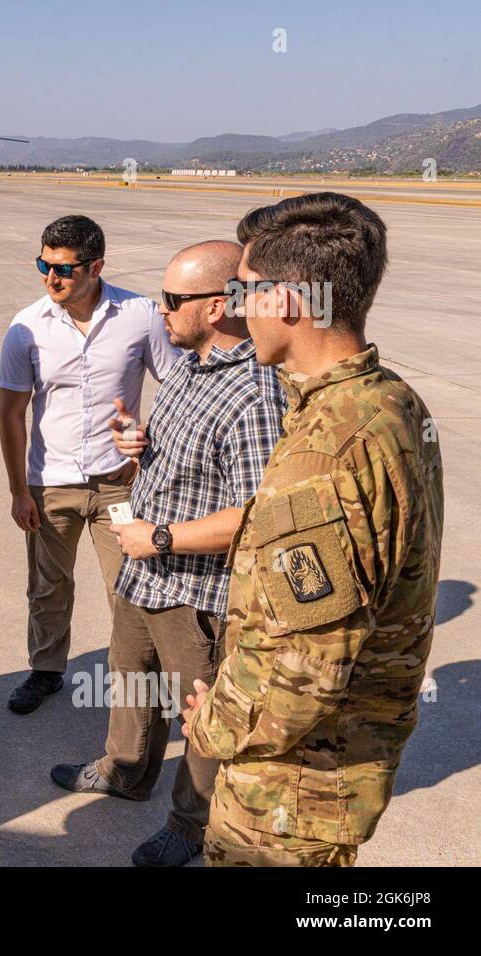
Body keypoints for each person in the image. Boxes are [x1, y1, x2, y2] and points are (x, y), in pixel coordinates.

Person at [183, 193, 444, 866]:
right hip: (329, 774)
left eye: (244, 290)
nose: (237, 308)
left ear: (289, 301)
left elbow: (307, 671)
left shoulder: (322, 457)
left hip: (286, 797)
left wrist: (213, 725)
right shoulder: (388, 401)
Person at [48, 241, 285, 867]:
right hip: (147, 574)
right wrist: (139, 442)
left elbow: (254, 518)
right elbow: (189, 461)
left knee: (202, 714)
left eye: (172, 300)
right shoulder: (187, 364)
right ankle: (125, 770)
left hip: (195, 589)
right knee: (130, 678)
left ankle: (192, 823)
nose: (160, 309)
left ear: (215, 307)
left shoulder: (255, 393)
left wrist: (159, 538)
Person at [0, 215, 181, 714]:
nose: (51, 278)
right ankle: (45, 671)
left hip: (118, 488)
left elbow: (179, 389)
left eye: (64, 269)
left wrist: (149, 451)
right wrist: (18, 490)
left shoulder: (140, 315)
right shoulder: (26, 327)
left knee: (129, 587)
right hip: (49, 484)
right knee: (48, 586)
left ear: (96, 266)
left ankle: (139, 683)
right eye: (44, 265)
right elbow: (12, 413)